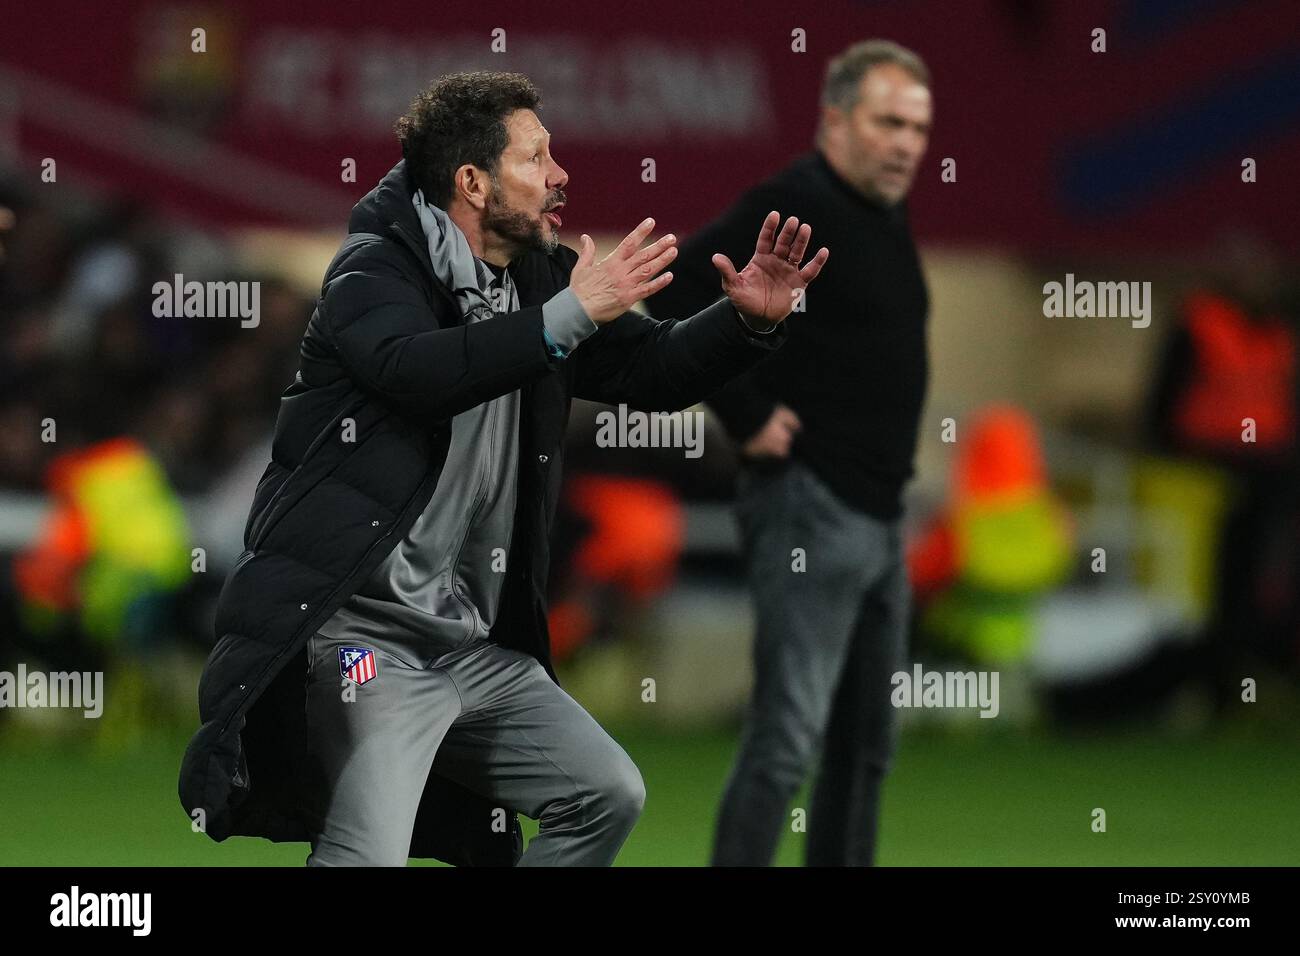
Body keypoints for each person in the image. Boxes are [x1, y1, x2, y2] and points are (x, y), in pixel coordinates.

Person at [178, 70, 828, 867]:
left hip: (468, 649)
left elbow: (649, 372)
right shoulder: (373, 274)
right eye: (537, 157)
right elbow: (420, 370)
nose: (560, 176)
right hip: (363, 647)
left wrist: (743, 322)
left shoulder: (540, 277)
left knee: (604, 794)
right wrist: (568, 316)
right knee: (365, 857)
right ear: (473, 182)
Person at [649, 39, 933, 866]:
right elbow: (684, 281)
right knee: (787, 741)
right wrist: (744, 411)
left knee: (865, 745)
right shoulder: (796, 200)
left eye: (917, 127)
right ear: (835, 121)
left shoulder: (881, 212)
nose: (907, 143)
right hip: (810, 503)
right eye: (888, 122)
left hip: (880, 516)